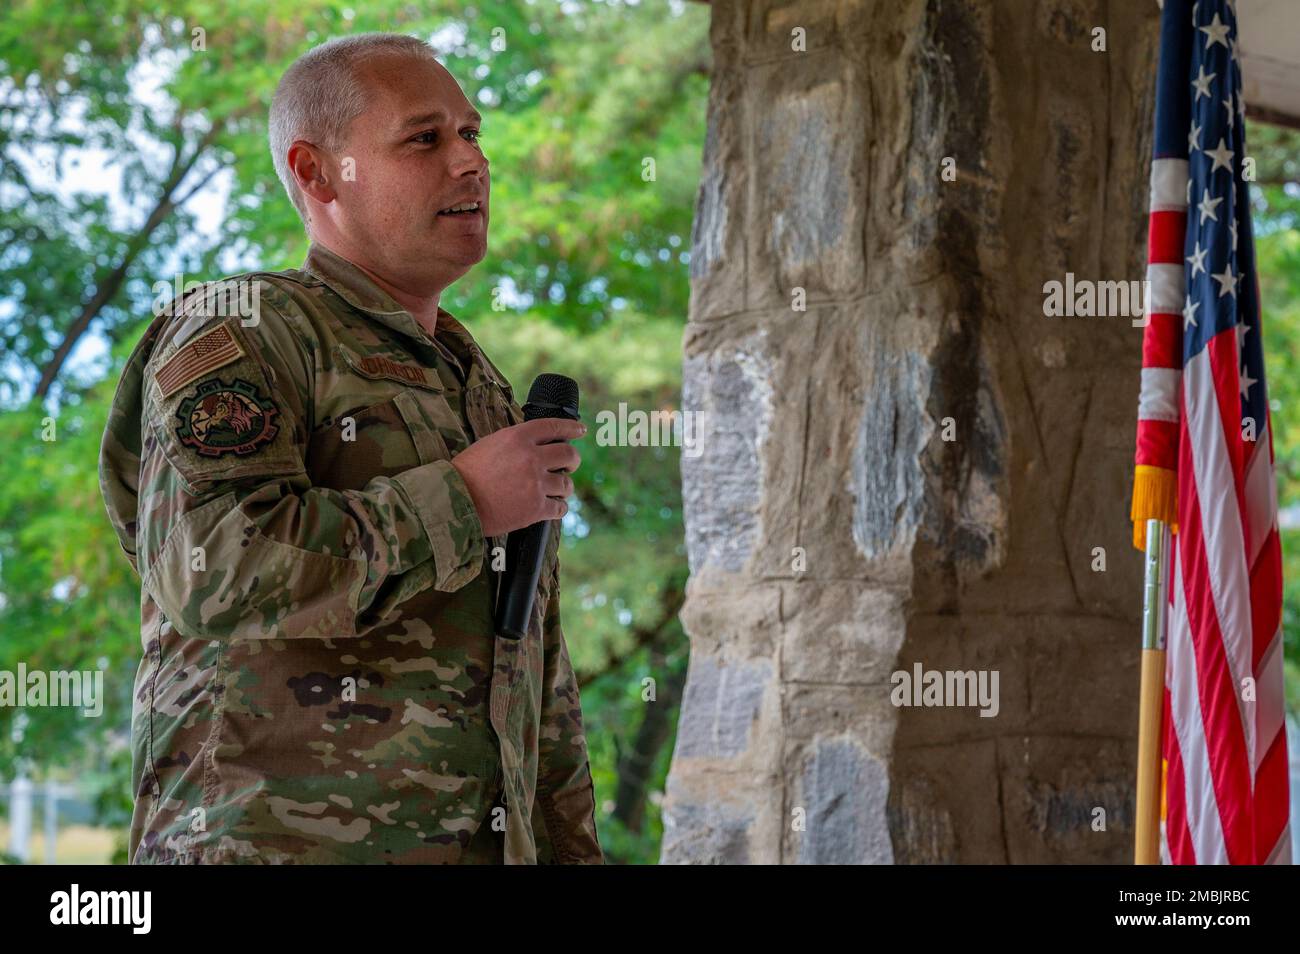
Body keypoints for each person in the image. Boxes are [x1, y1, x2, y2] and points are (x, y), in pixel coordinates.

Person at [97, 32, 603, 864]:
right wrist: (465, 500)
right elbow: (212, 565)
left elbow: (530, 671)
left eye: (472, 134)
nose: (470, 162)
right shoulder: (245, 326)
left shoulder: (471, 374)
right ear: (316, 170)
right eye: (425, 138)